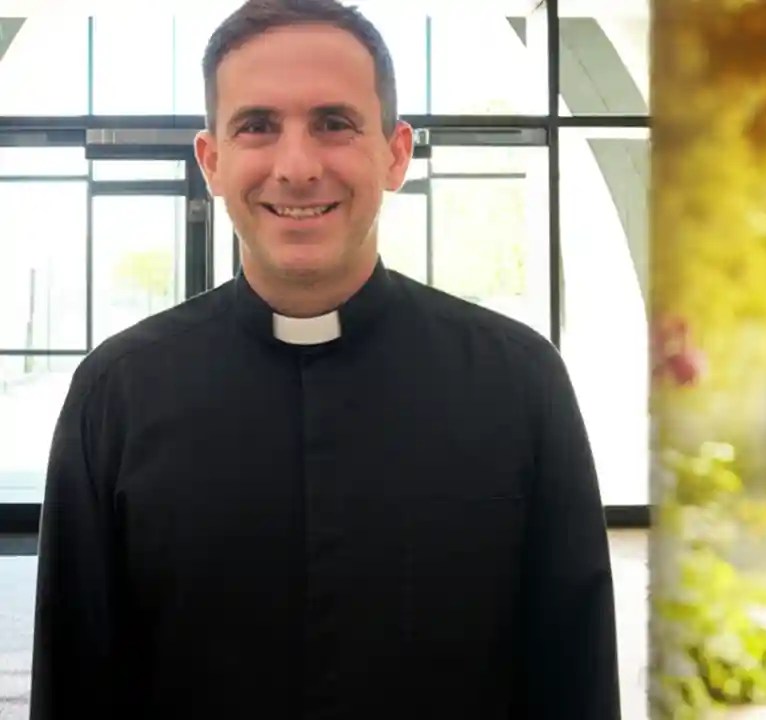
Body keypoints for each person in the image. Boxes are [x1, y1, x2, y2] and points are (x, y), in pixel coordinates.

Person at [28, 1, 621, 718]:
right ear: (212, 161)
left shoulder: (520, 383)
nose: (297, 167)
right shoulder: (117, 393)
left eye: (334, 123)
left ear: (395, 154)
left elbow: (574, 674)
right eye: (257, 126)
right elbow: (76, 679)